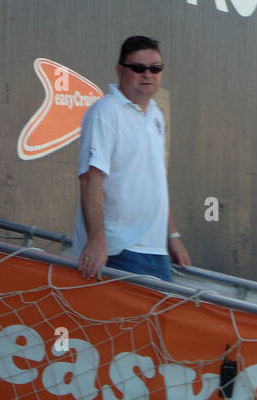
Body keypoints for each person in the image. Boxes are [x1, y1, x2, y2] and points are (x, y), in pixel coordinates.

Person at [73, 36, 191, 282]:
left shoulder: (156, 115)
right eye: (138, 68)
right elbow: (90, 179)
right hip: (119, 250)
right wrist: (96, 241)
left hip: (155, 250)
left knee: (159, 320)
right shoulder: (106, 112)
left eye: (155, 68)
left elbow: (155, 183)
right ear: (120, 70)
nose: (147, 74)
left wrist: (172, 237)